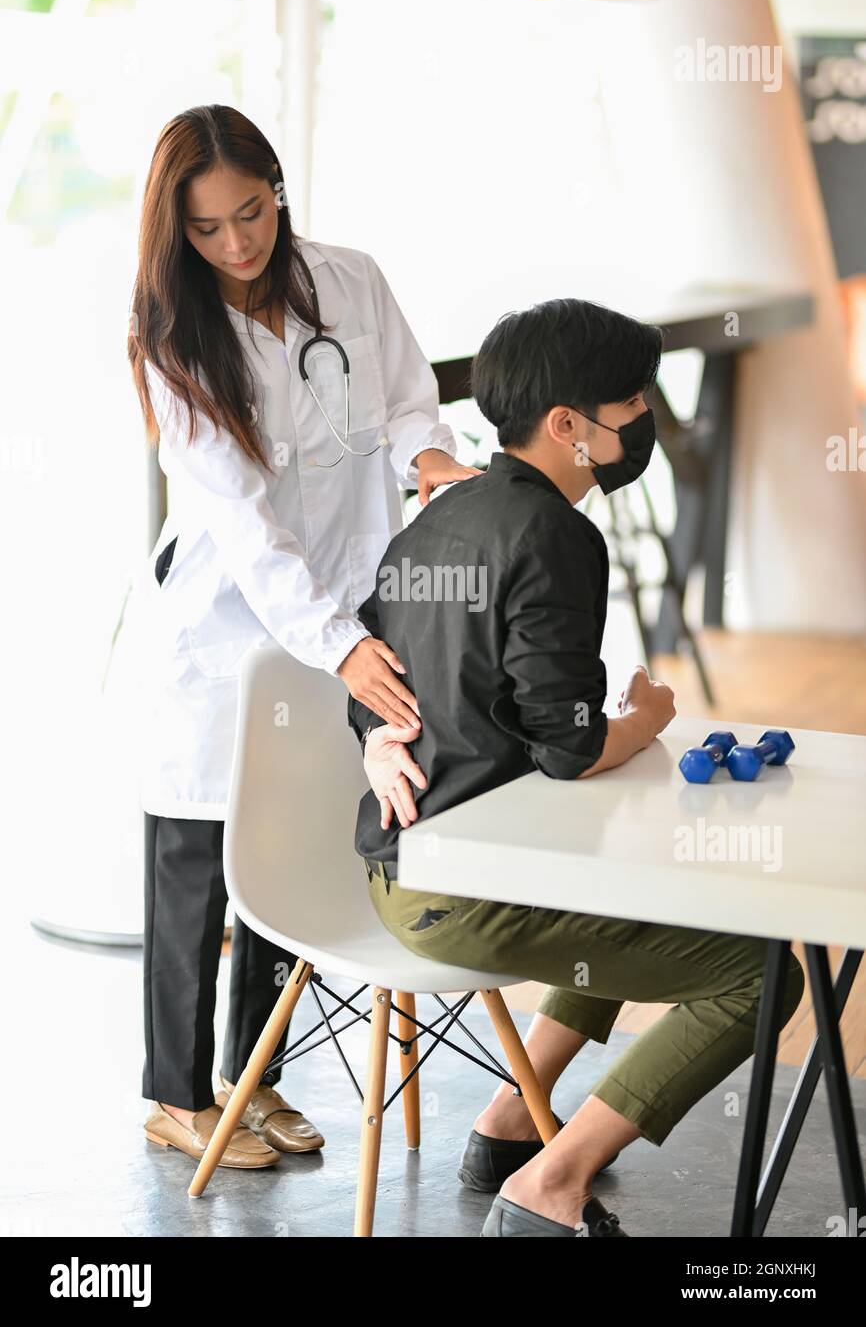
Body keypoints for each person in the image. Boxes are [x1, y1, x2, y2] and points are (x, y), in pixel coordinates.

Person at [347, 298, 805, 1236]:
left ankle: (510, 1122)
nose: (645, 418)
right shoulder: (557, 534)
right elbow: (568, 746)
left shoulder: (437, 517)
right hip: (469, 891)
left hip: (402, 868)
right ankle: (550, 1183)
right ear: (568, 426)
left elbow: (370, 684)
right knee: (764, 974)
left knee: (643, 905)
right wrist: (644, 719)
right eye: (631, 399)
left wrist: (372, 736)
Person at [126, 103, 478, 1169]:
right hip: (228, 625)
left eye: (250, 212)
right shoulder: (171, 340)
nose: (237, 244)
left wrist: (430, 462)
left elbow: (413, 401)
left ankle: (251, 1078)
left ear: (277, 187)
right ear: (173, 233)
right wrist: (335, 641)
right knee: (194, 856)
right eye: (205, 230)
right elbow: (243, 524)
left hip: (340, 609)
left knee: (288, 842)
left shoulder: (350, 281)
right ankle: (174, 1096)